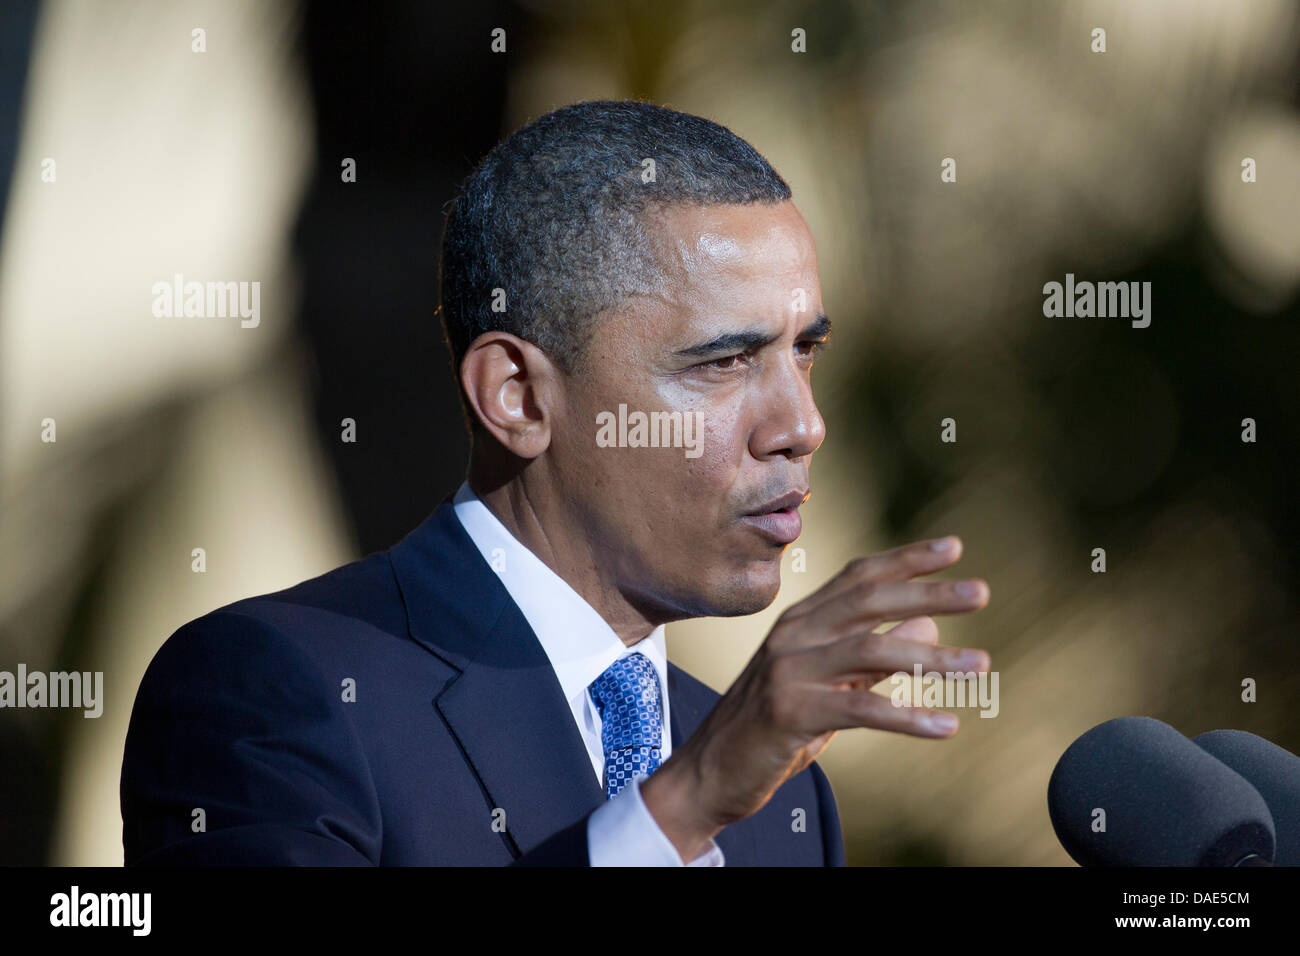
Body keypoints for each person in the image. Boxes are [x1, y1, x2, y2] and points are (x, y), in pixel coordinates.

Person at [120, 100, 991, 866]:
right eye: (725, 361)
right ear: (519, 397)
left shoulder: (782, 793)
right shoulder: (274, 691)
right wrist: (676, 813)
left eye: (804, 351)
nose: (802, 425)